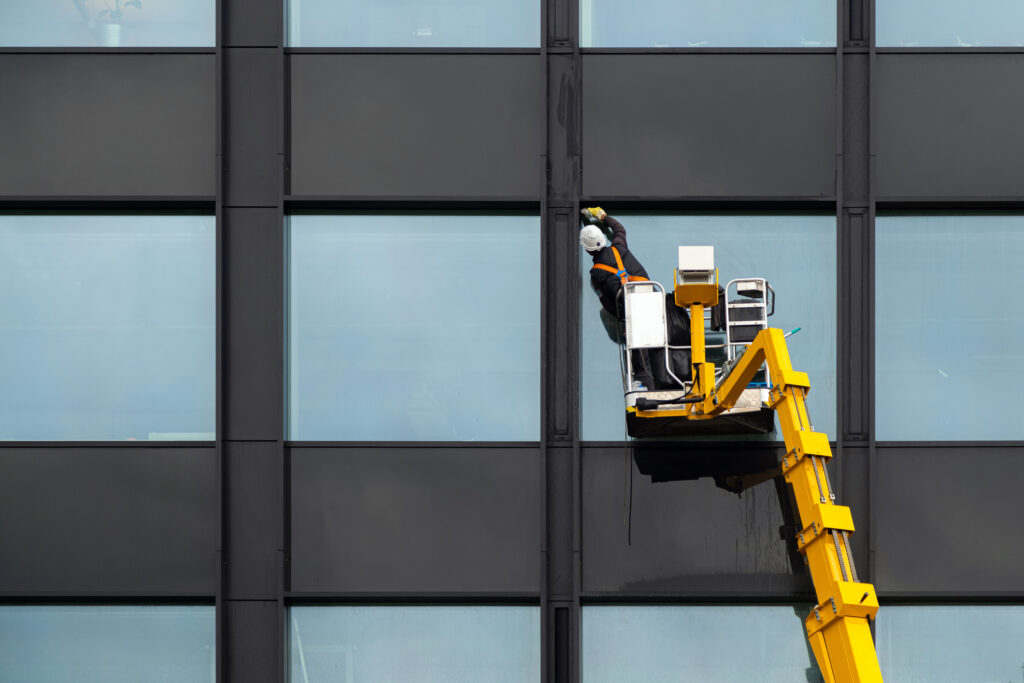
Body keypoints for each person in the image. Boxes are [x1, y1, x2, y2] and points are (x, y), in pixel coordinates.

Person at [579, 207, 691, 389]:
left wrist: (619, 318)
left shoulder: (597, 273)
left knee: (642, 360)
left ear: (587, 250)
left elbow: (609, 303)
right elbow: (620, 229)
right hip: (655, 302)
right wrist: (602, 216)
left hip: (636, 313)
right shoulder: (619, 248)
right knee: (664, 348)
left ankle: (648, 387)